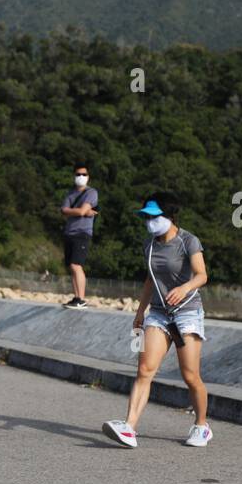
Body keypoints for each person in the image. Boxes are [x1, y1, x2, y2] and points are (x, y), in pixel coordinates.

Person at [102, 195, 212, 449]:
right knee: (144, 370)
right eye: (146, 217)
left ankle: (202, 426)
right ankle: (129, 427)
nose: (149, 222)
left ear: (169, 216)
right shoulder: (149, 244)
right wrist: (140, 311)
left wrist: (184, 288)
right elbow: (151, 279)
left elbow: (202, 275)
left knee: (190, 375)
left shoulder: (188, 240)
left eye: (154, 216)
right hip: (159, 313)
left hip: (187, 313)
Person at [59, 164, 98, 309]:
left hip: (82, 233)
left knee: (77, 265)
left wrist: (74, 211)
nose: (80, 177)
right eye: (78, 174)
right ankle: (76, 296)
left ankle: (81, 298)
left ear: (88, 176)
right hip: (69, 232)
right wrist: (81, 211)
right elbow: (64, 210)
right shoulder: (70, 193)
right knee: (71, 265)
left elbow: (80, 211)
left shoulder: (92, 193)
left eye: (84, 174)